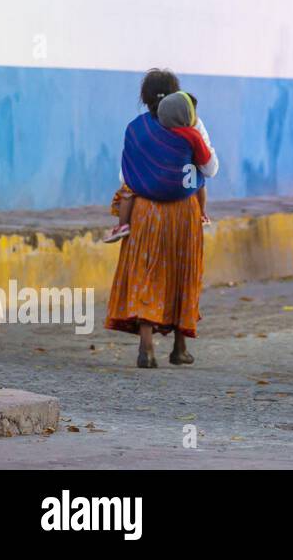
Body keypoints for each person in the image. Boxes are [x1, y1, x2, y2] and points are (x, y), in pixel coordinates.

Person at [105, 69, 213, 368]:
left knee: (146, 273)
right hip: (184, 210)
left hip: (145, 211)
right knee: (182, 273)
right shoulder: (193, 125)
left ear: (145, 97)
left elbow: (125, 175)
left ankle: (146, 346)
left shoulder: (136, 128)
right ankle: (179, 348)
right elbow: (208, 169)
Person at [105, 89, 217, 242]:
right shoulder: (193, 134)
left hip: (146, 192)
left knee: (127, 189)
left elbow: (126, 173)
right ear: (188, 115)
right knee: (201, 179)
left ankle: (123, 225)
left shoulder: (142, 129)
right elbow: (209, 168)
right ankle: (202, 214)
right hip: (183, 193)